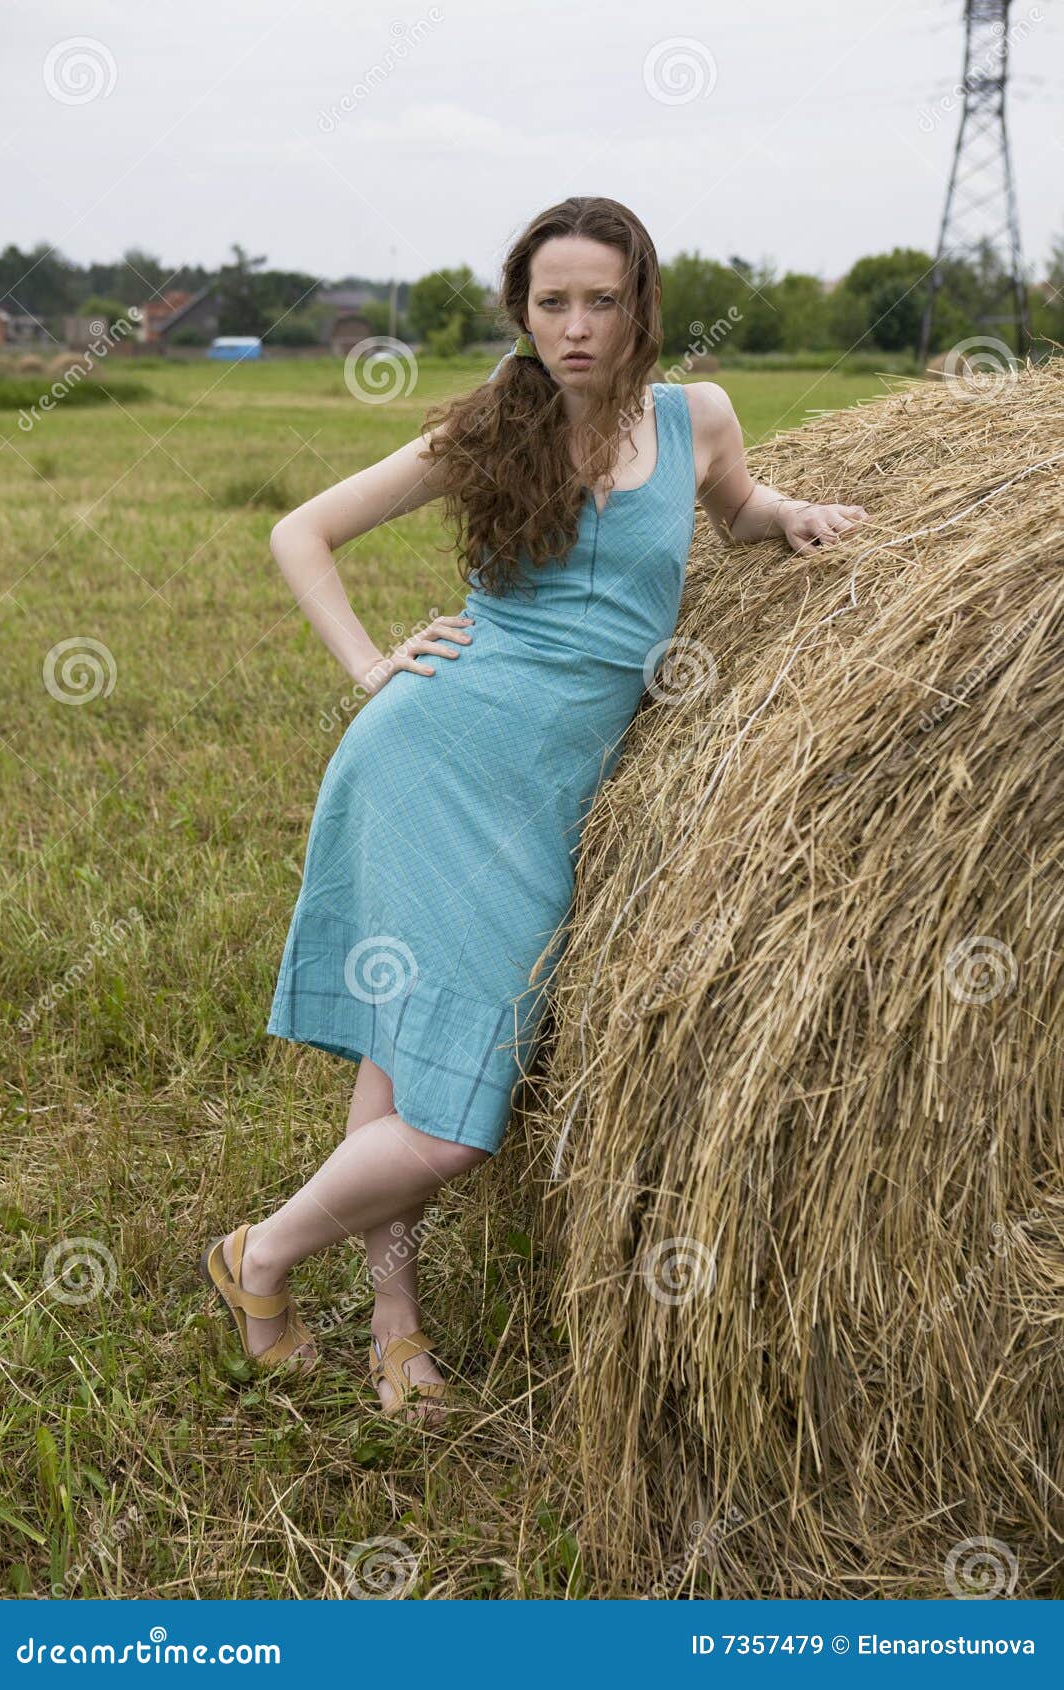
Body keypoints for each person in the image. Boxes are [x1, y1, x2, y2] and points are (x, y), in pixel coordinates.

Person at [199, 195, 867, 1425]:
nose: (573, 326)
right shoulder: (486, 430)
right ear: (521, 311)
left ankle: (394, 1325)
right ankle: (264, 1254)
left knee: (411, 1068)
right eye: (549, 302)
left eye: (598, 301)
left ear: (638, 308)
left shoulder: (693, 415)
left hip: (547, 789)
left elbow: (737, 511)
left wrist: (793, 519)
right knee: (453, 1122)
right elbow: (304, 532)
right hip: (431, 758)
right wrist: (365, 668)